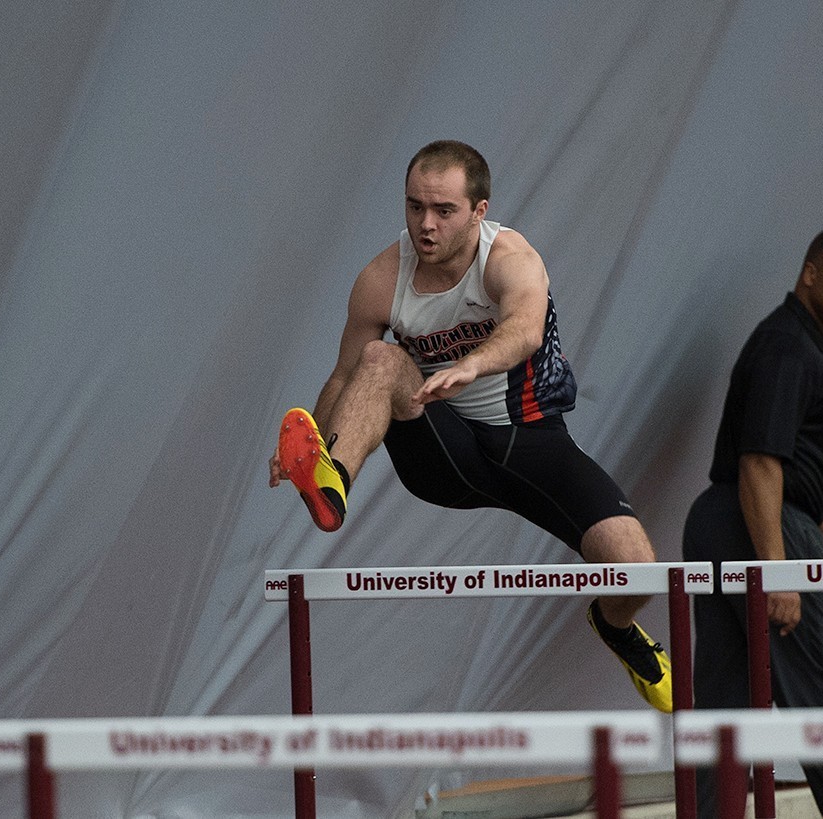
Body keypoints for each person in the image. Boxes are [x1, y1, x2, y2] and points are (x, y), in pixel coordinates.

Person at [268, 140, 672, 712]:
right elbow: (342, 377)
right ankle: (331, 477)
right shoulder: (383, 277)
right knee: (381, 363)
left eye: (443, 211)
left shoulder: (509, 257)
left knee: (638, 570)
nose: (424, 226)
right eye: (413, 208)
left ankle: (617, 629)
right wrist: (306, 438)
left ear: (479, 211)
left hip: (530, 442)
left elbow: (526, 330)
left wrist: (474, 363)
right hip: (444, 448)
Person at [682, 226, 823, 818]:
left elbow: (792, 463)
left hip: (730, 521)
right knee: (821, 703)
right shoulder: (788, 346)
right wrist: (779, 568)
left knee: (724, 713)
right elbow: (760, 463)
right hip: (756, 526)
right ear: (810, 273)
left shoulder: (810, 346)